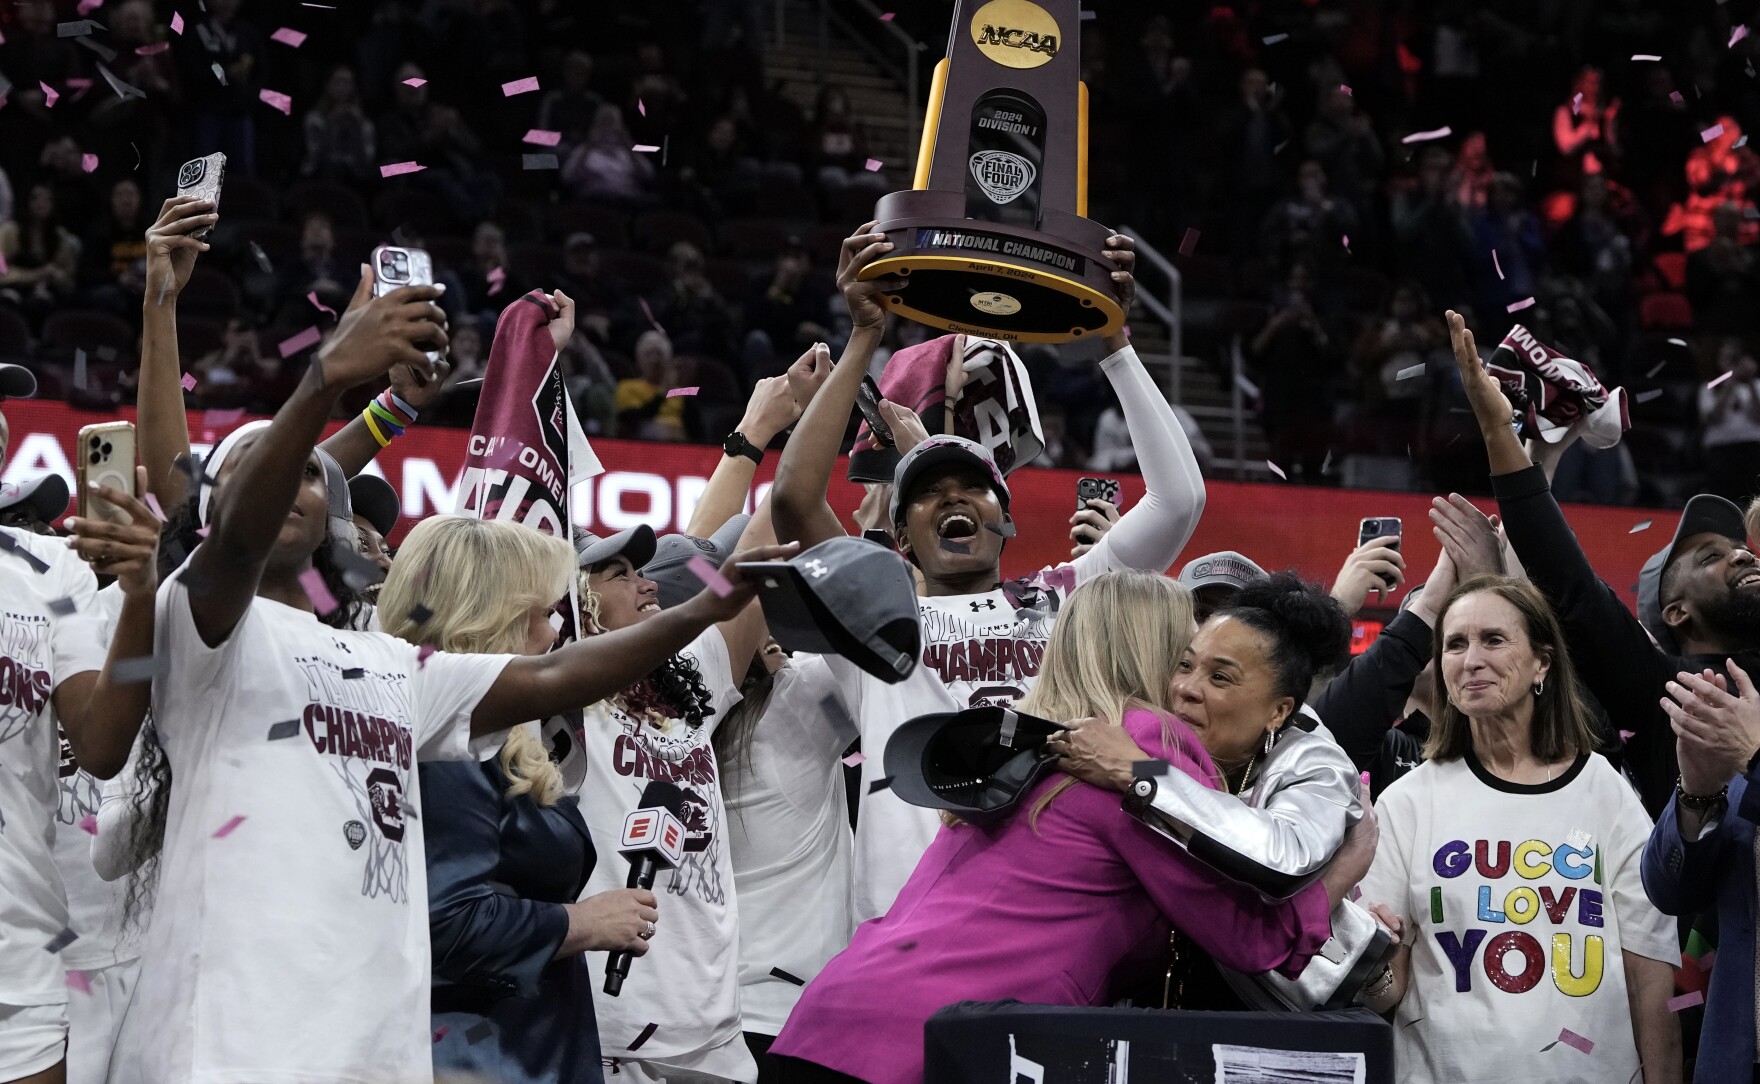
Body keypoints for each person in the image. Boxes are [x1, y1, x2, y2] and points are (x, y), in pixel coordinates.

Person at [100, 266, 793, 1084]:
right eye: (253, 474)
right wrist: (328, 377)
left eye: (300, 475)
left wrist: (699, 612)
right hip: (226, 1040)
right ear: (215, 512)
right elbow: (240, 536)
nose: (281, 483)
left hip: (370, 1044)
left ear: (329, 508)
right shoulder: (204, 620)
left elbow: (552, 677)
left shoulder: (391, 662)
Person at [771, 223, 1208, 923]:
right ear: (901, 537)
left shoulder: (1065, 597)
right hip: (908, 928)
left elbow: (1179, 500)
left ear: (1005, 517)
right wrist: (863, 337)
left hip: (1040, 913)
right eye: (926, 492)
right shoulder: (876, 613)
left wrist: (1115, 342)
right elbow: (795, 499)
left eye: (973, 486)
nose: (951, 497)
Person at [770, 572, 1363, 1083]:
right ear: (1151, 653)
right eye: (1183, 659)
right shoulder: (1144, 751)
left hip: (828, 1021)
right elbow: (1251, 938)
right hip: (937, 1051)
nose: (1186, 685)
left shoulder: (1036, 742)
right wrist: (1343, 870)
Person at [1356, 575, 1680, 1084]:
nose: (1471, 659)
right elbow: (1388, 988)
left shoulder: (1605, 793)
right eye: (1455, 644)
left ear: (1542, 664)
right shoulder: (1408, 802)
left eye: (1493, 639)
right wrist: (1367, 960)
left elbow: (1651, 973)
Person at [1446, 308, 1760, 816]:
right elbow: (1572, 588)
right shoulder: (1673, 698)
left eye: (1740, 548)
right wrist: (1500, 433)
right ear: (1676, 611)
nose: (1744, 553)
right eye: (1712, 557)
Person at [378, 517, 656, 1084]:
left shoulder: (494, 734)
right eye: (545, 612)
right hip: (474, 1053)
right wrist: (578, 923)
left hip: (530, 1038)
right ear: (493, 615)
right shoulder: (443, 745)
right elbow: (446, 923)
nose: (555, 634)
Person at [1048, 572, 1369, 1009]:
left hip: (1292, 1012)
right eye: (1184, 665)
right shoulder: (1147, 737)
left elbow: (1283, 856)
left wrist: (1140, 774)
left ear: (1279, 711)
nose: (1185, 689)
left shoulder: (1316, 761)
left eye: (1220, 678)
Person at [569, 508, 781, 1083]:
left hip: (717, 1023)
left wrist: (764, 433)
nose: (647, 582)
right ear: (573, 602)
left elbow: (748, 560)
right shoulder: (562, 703)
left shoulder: (689, 677)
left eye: (642, 569)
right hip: (614, 1025)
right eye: (617, 574)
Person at [1643, 660, 1760, 1082]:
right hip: (1737, 1061)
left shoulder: (1752, 744)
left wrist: (1754, 757)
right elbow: (1668, 891)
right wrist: (1698, 792)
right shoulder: (1750, 731)